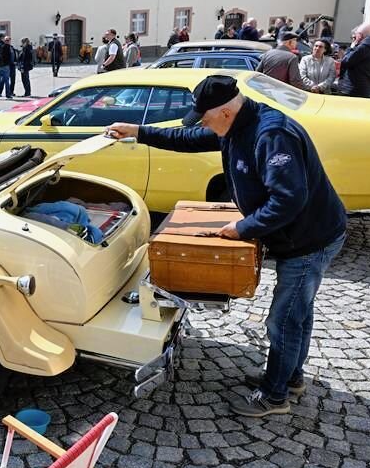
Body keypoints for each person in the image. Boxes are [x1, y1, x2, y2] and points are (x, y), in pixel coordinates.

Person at [107, 74, 347, 418]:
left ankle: (275, 397)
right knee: (298, 313)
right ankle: (290, 376)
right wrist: (137, 131)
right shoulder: (234, 124)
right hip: (300, 235)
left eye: (205, 118)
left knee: (285, 319)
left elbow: (289, 199)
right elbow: (186, 138)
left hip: (311, 240)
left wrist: (242, 227)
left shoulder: (271, 134)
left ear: (223, 112)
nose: (203, 125)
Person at [338, 23, 370, 99]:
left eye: (355, 36)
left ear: (359, 36)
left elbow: (346, 61)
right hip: (368, 90)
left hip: (353, 91)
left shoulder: (364, 47)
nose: (354, 39)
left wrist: (352, 47)